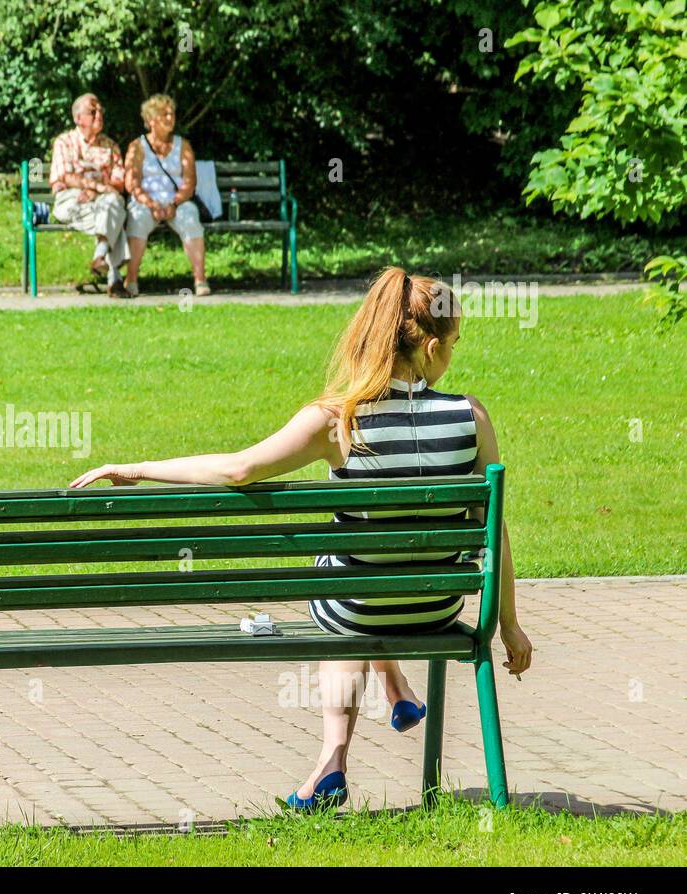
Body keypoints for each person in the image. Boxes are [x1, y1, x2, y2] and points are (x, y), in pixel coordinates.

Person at [69, 267, 534, 810]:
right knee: (369, 569)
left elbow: (239, 469)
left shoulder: (338, 419)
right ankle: (395, 691)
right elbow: (491, 522)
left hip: (359, 610)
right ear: (430, 348)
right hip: (436, 607)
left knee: (344, 575)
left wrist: (138, 468)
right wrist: (509, 624)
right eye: (453, 344)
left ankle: (334, 756)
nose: (453, 355)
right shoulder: (471, 416)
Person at [123, 94, 208, 297]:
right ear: (151, 120)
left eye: (172, 114)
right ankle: (131, 279)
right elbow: (131, 183)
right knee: (138, 219)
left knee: (190, 218)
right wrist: (150, 203)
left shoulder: (183, 146)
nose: (171, 117)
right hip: (145, 201)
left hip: (177, 201)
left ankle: (200, 279)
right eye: (165, 114)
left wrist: (174, 203)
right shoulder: (137, 147)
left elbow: (189, 183)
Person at [49, 93, 130, 298]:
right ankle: (114, 277)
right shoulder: (64, 142)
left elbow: (119, 181)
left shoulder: (110, 146)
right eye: (92, 112)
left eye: (101, 111)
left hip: (102, 200)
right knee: (115, 214)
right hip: (72, 199)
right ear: (78, 118)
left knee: (113, 204)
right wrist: (97, 187)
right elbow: (66, 177)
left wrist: (95, 191)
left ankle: (100, 256)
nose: (99, 115)